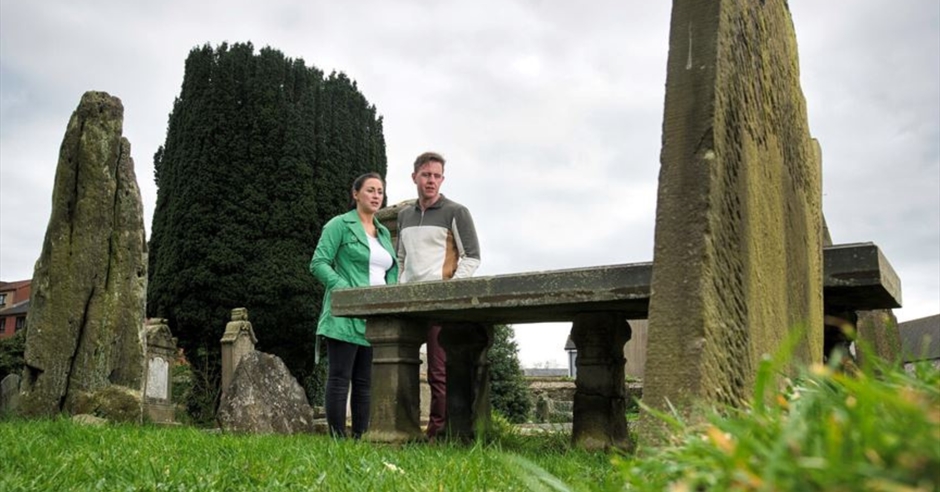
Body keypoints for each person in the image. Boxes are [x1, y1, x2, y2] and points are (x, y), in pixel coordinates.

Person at [396, 151, 481, 440]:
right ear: (414, 177)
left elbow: (472, 257)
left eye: (436, 175)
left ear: (442, 179)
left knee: (438, 372)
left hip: (440, 302)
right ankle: (404, 430)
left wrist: (450, 291)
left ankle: (438, 434)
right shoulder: (404, 215)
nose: (431, 180)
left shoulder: (456, 211)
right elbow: (401, 257)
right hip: (407, 302)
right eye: (426, 175)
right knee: (399, 367)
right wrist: (398, 288)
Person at [310, 172, 398, 439]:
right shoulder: (339, 225)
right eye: (370, 190)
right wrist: (346, 292)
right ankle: (337, 438)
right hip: (345, 314)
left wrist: (390, 300)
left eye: (380, 191)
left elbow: (391, 270)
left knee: (365, 382)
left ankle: (361, 437)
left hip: (374, 317)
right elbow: (318, 263)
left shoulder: (383, 232)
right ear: (356, 194)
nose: (375, 196)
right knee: (339, 379)